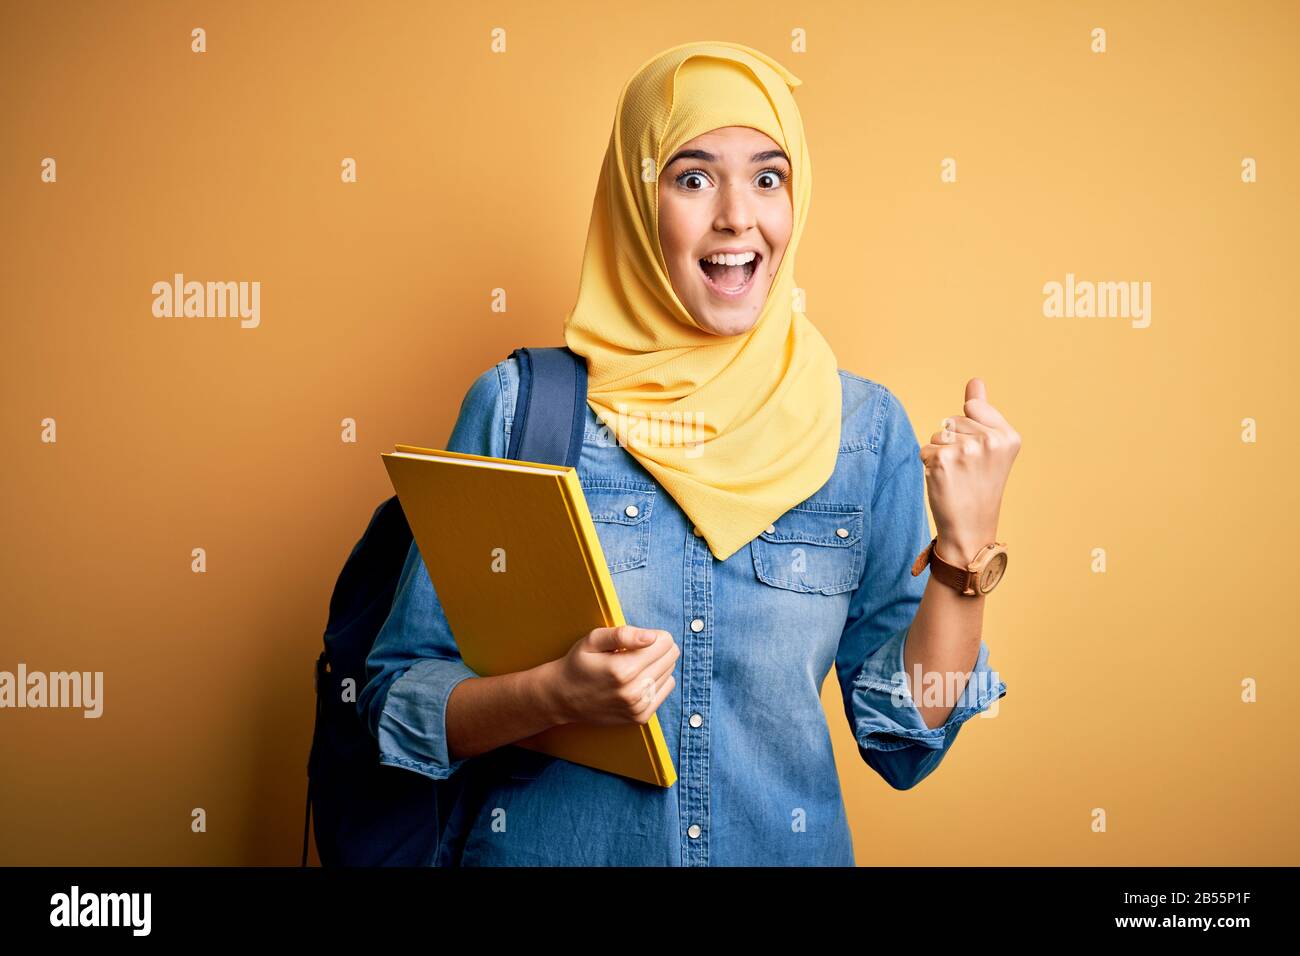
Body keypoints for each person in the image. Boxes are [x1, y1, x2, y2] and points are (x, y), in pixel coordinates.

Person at [358, 40, 1019, 866]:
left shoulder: (863, 431)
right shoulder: (521, 409)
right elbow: (395, 707)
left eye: (768, 177)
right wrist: (550, 695)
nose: (738, 215)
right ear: (636, 202)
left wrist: (967, 549)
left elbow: (902, 741)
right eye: (694, 176)